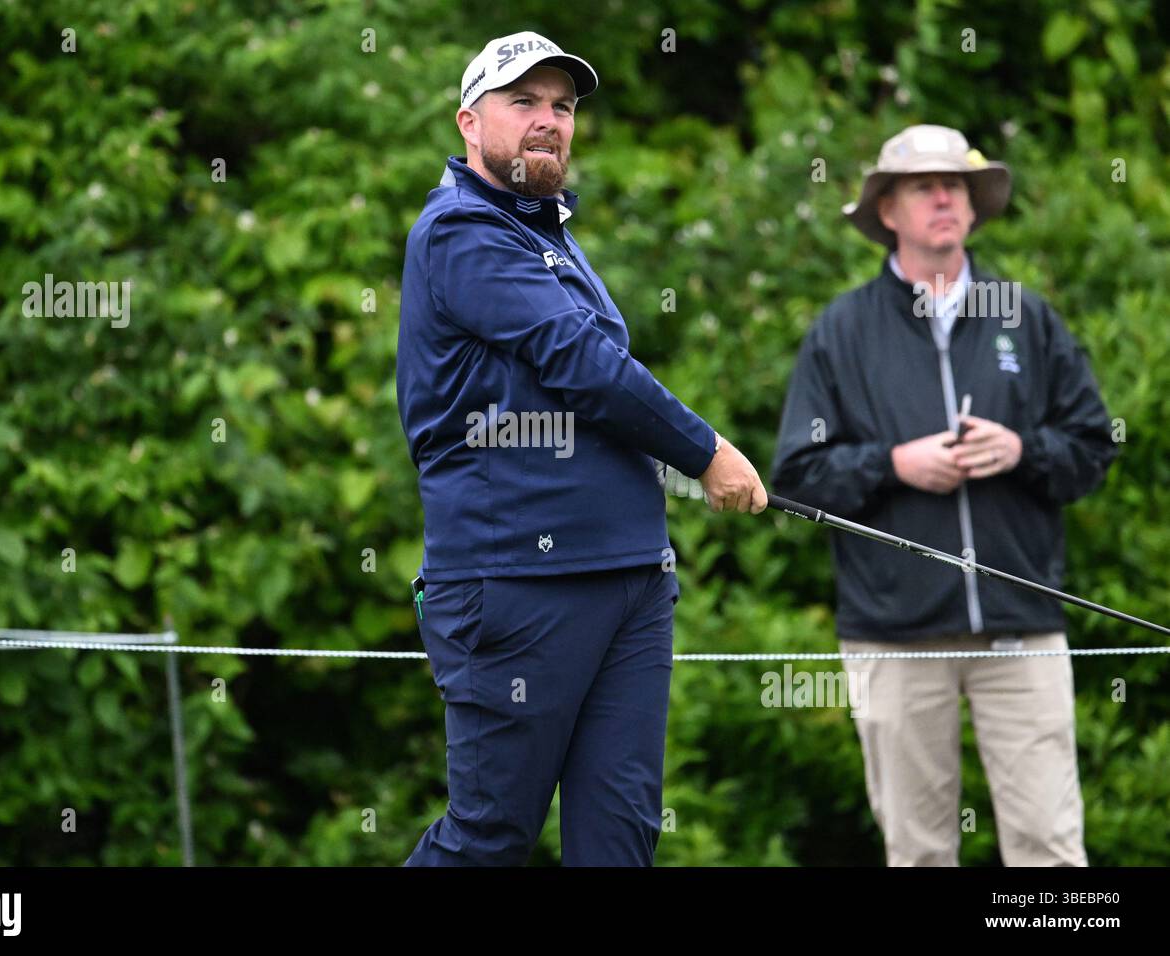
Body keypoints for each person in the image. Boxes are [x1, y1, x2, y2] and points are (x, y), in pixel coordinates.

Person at [396, 31, 767, 866]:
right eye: (522, 102)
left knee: (619, 840)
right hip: (517, 583)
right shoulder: (461, 231)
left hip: (631, 578)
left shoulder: (551, 235)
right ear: (468, 121)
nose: (548, 121)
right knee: (491, 837)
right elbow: (584, 366)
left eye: (561, 106)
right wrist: (707, 451)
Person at [771, 124, 1118, 866]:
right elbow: (797, 478)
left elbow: (1094, 448)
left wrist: (1023, 451)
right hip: (892, 639)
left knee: (1049, 850)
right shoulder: (841, 330)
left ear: (973, 205)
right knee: (919, 854)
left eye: (955, 185)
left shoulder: (1025, 317)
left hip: (1020, 628)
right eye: (923, 186)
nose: (942, 197)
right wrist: (895, 463)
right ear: (886, 211)